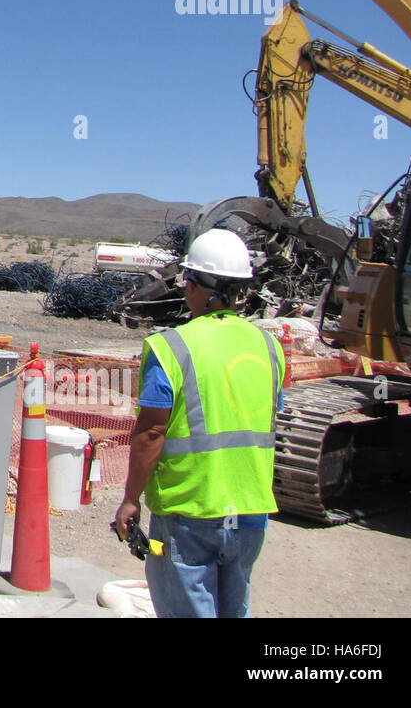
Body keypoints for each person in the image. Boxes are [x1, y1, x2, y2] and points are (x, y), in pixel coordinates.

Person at [113, 228, 284, 618]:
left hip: (188, 512)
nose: (185, 288)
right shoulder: (269, 347)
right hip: (250, 513)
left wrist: (130, 500)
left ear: (200, 287)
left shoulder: (171, 347)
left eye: (188, 280)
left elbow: (153, 431)